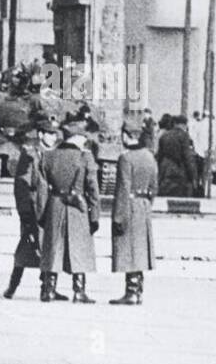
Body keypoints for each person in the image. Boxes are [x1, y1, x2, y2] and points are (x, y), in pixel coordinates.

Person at [38, 116, 101, 303]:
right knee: (79, 248)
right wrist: (95, 215)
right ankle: (79, 291)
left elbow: (42, 189)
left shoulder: (48, 156)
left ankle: (49, 290)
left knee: (53, 248)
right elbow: (93, 189)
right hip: (78, 207)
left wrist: (42, 215)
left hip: (55, 205)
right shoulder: (85, 157)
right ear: (77, 138)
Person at [4, 121, 65, 300]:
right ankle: (13, 286)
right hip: (34, 208)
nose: (52, 137)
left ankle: (48, 287)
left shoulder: (56, 155)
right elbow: (22, 186)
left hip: (51, 208)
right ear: (40, 134)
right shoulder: (30, 154)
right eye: (49, 133)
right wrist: (25, 214)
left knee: (51, 247)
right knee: (27, 247)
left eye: (55, 134)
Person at [109, 115, 157, 306]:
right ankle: (138, 290)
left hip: (129, 205)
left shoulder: (125, 158)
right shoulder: (149, 156)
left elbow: (123, 188)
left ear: (126, 135)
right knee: (140, 249)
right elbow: (155, 186)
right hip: (143, 206)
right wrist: (146, 203)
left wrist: (118, 216)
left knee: (129, 248)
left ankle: (130, 290)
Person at [156, 113, 196, 196]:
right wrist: (193, 176)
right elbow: (187, 157)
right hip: (179, 171)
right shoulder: (184, 136)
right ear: (184, 125)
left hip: (165, 169)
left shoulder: (165, 135)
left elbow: (159, 155)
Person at [189, 111, 209, 195]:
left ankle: (196, 190)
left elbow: (192, 136)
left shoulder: (198, 125)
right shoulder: (211, 126)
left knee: (196, 174)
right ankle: (203, 190)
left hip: (198, 152)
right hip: (206, 152)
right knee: (204, 174)